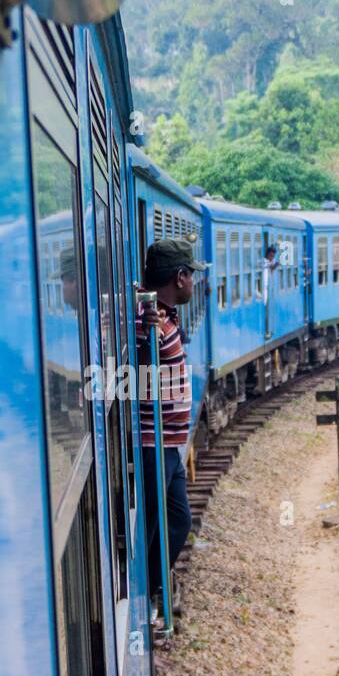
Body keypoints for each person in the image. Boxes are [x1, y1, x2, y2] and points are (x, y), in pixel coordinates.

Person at [137, 239, 202, 623]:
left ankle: (155, 584)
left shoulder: (166, 317)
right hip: (153, 442)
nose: (195, 282)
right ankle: (142, 597)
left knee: (179, 520)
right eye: (191, 275)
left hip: (171, 445)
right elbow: (139, 359)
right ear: (179, 278)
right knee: (148, 524)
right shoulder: (153, 326)